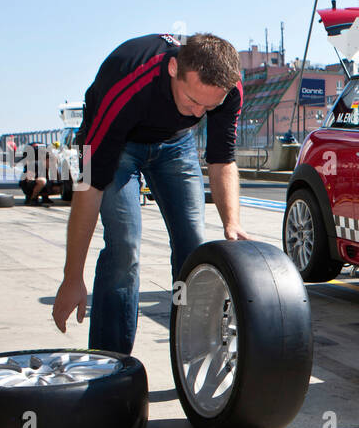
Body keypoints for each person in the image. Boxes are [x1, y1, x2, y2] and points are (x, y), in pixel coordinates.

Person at [51, 32, 248, 355]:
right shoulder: (126, 84)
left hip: (176, 143)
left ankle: (193, 351)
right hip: (118, 142)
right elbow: (89, 188)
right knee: (124, 247)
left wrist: (232, 222)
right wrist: (72, 276)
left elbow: (222, 159)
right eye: (192, 101)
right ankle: (110, 364)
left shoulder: (228, 88)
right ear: (173, 68)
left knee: (192, 243)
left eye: (208, 106)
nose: (199, 113)